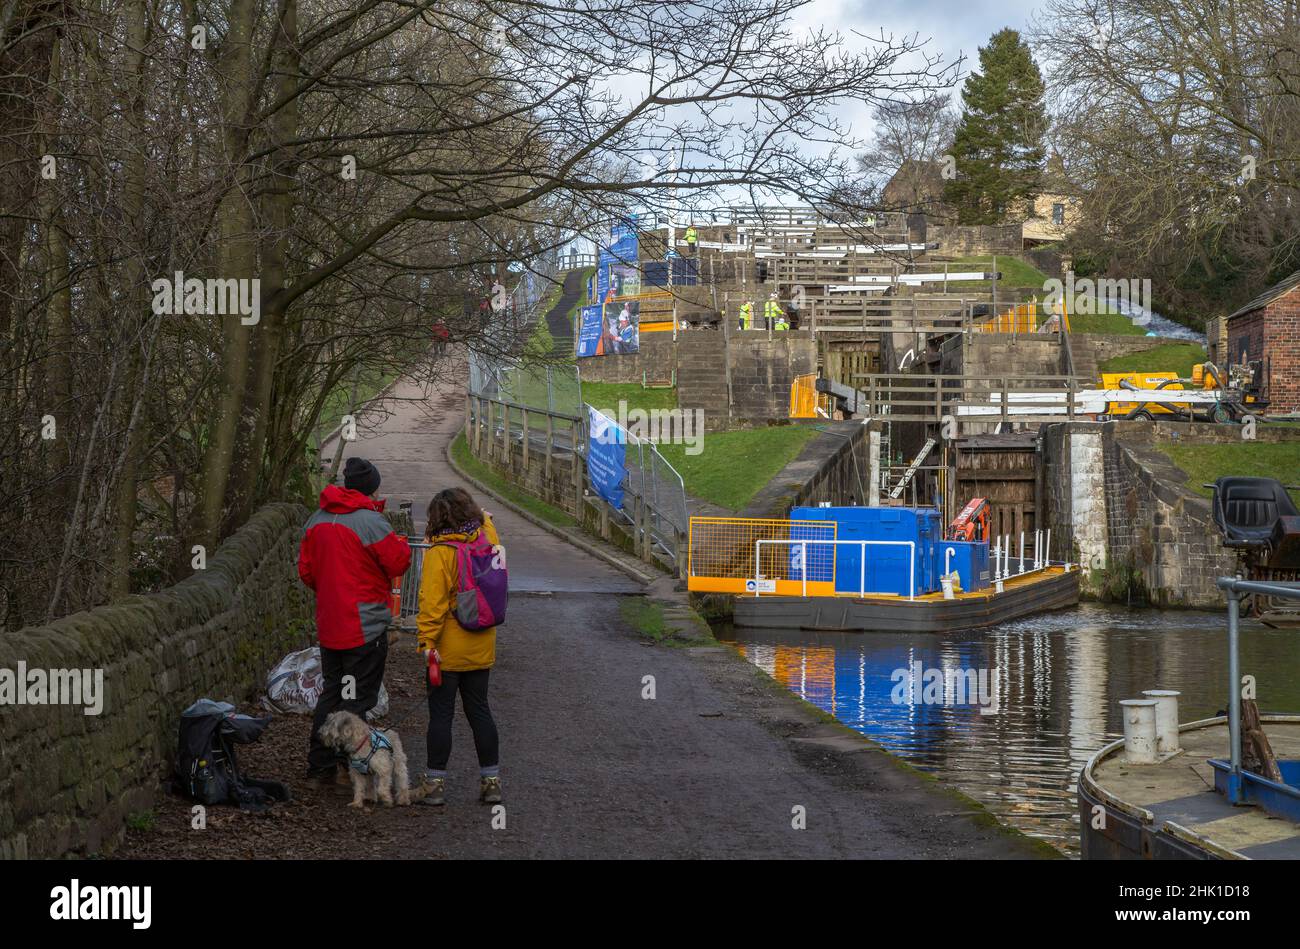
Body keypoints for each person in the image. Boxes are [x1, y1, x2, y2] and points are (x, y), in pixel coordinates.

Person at [298, 457, 411, 789]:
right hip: (365, 625)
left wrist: (333, 589)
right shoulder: (371, 522)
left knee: (331, 694)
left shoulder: (316, 520)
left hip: (331, 624)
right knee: (358, 699)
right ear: (372, 486)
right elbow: (399, 561)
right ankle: (352, 767)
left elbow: (306, 572)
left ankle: (320, 768)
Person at [414, 488, 503, 806]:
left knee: (441, 715)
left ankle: (434, 785)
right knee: (480, 710)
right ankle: (491, 782)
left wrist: (427, 642)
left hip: (447, 648)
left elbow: (432, 604)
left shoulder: (441, 552)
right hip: (482, 639)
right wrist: (484, 516)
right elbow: (487, 521)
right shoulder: (487, 537)